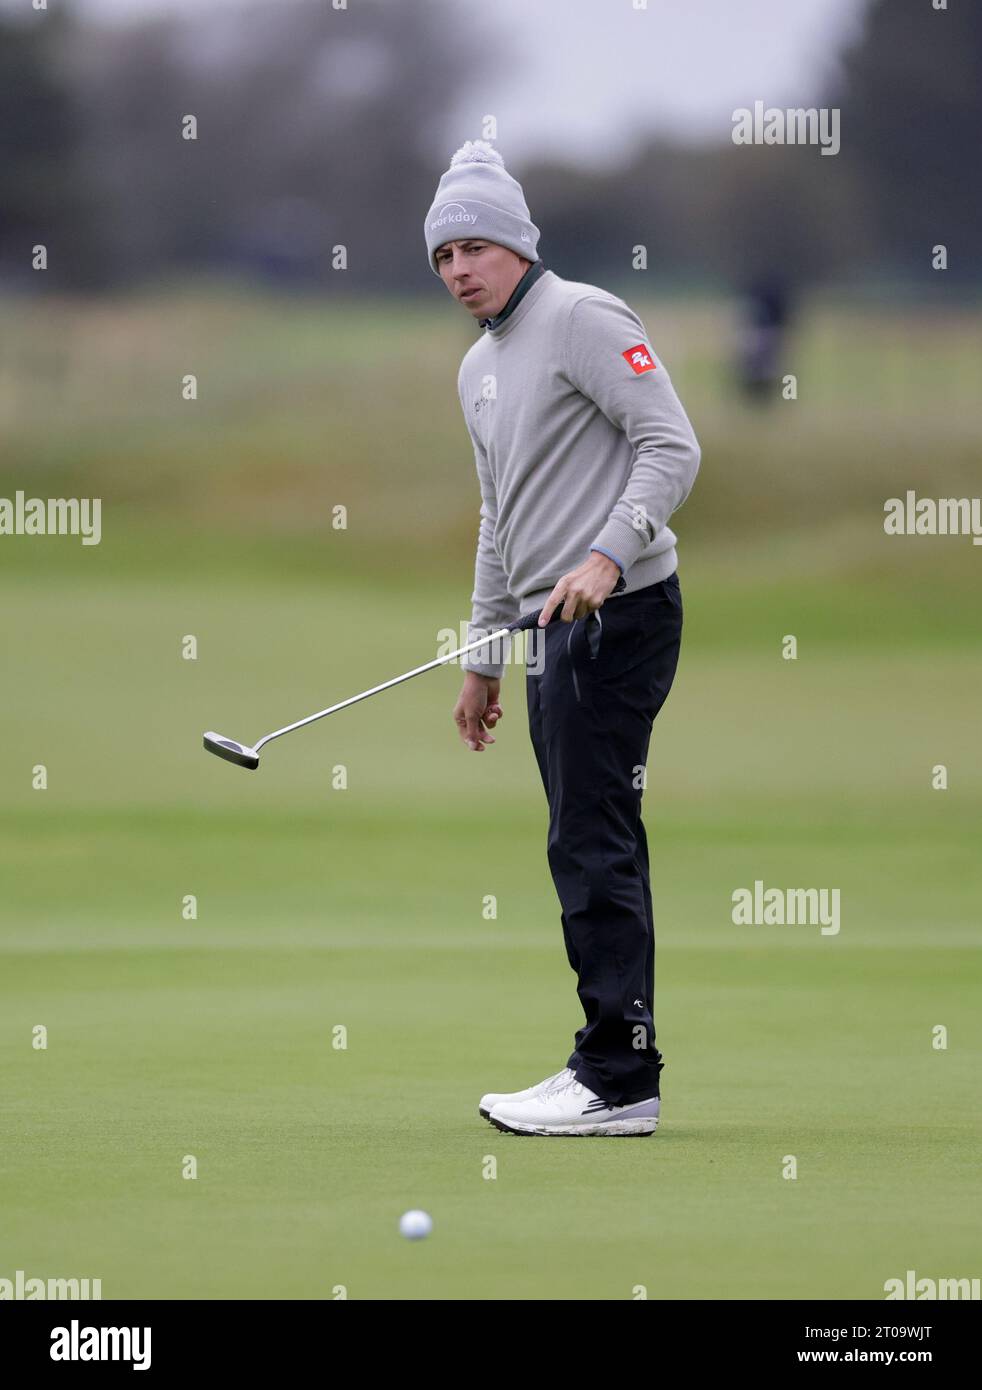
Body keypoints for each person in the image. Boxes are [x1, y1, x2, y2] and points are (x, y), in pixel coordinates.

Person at [424, 140, 701, 1137]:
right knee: (582, 834)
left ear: (514, 243)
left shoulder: (581, 316)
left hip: (617, 613)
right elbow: (499, 516)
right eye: (442, 256)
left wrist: (606, 556)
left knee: (591, 836)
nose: (458, 271)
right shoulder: (477, 367)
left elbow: (672, 442)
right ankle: (611, 1066)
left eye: (473, 249)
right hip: (547, 627)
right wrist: (481, 654)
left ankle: (617, 1078)